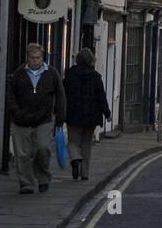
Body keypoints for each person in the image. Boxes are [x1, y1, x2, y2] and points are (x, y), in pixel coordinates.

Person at [6, 43, 66, 195]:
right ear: (27, 58)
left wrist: (60, 117)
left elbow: (60, 96)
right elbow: (11, 95)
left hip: (44, 120)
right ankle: (26, 183)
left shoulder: (51, 73)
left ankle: (43, 177)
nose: (36, 61)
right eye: (33, 58)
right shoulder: (19, 74)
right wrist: (16, 112)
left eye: (39, 58)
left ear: (42, 57)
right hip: (21, 120)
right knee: (23, 154)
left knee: (42, 148)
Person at [64, 49, 111, 181]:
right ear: (91, 60)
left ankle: (75, 158)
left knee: (73, 141)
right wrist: (107, 113)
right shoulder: (95, 77)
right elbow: (101, 97)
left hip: (73, 114)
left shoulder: (70, 75)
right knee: (86, 143)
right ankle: (85, 173)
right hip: (91, 116)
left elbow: (63, 95)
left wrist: (60, 111)